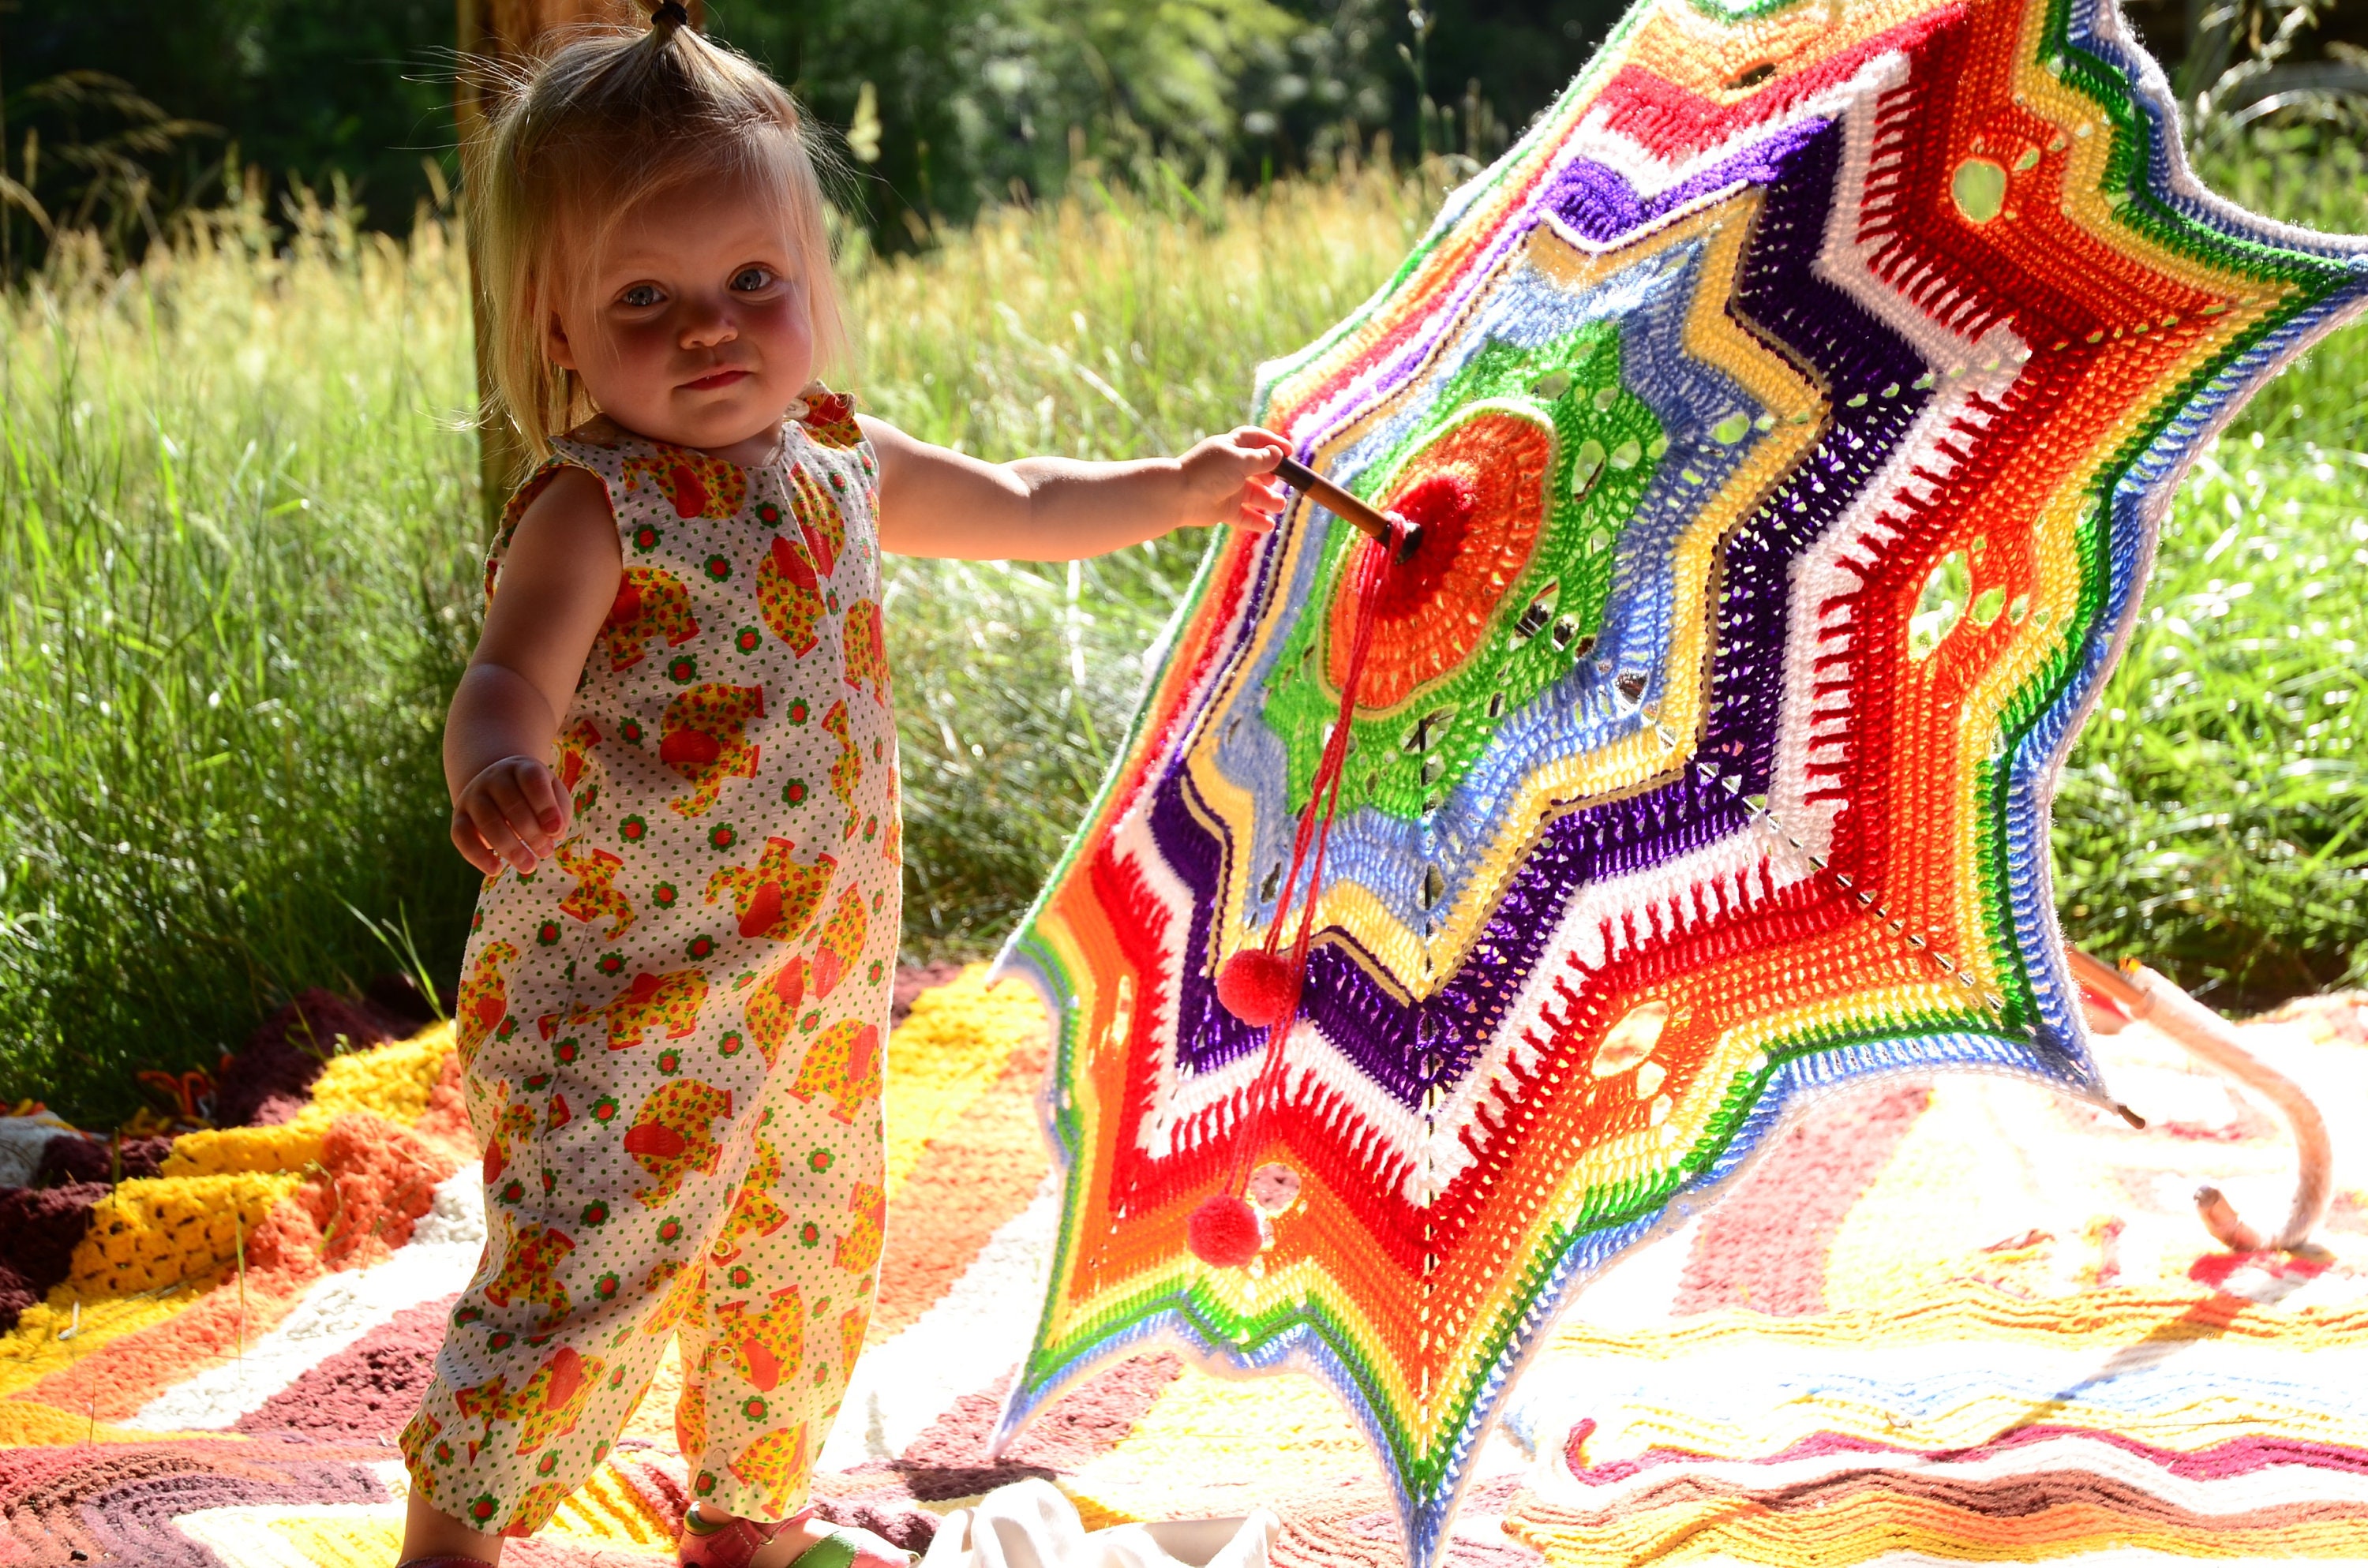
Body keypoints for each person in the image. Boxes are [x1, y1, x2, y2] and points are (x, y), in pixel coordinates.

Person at [396, 9, 1287, 1567]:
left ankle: (750, 1523)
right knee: (587, 1274)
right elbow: (507, 675)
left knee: (797, 1272)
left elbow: (1018, 501)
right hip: (630, 1005)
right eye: (645, 299)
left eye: (755, 283)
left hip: (811, 1001)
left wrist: (1179, 491)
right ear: (557, 332)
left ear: (811, 281)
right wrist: (500, 766)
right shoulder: (597, 505)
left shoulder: (837, 463)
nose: (709, 331)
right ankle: (455, 1534)